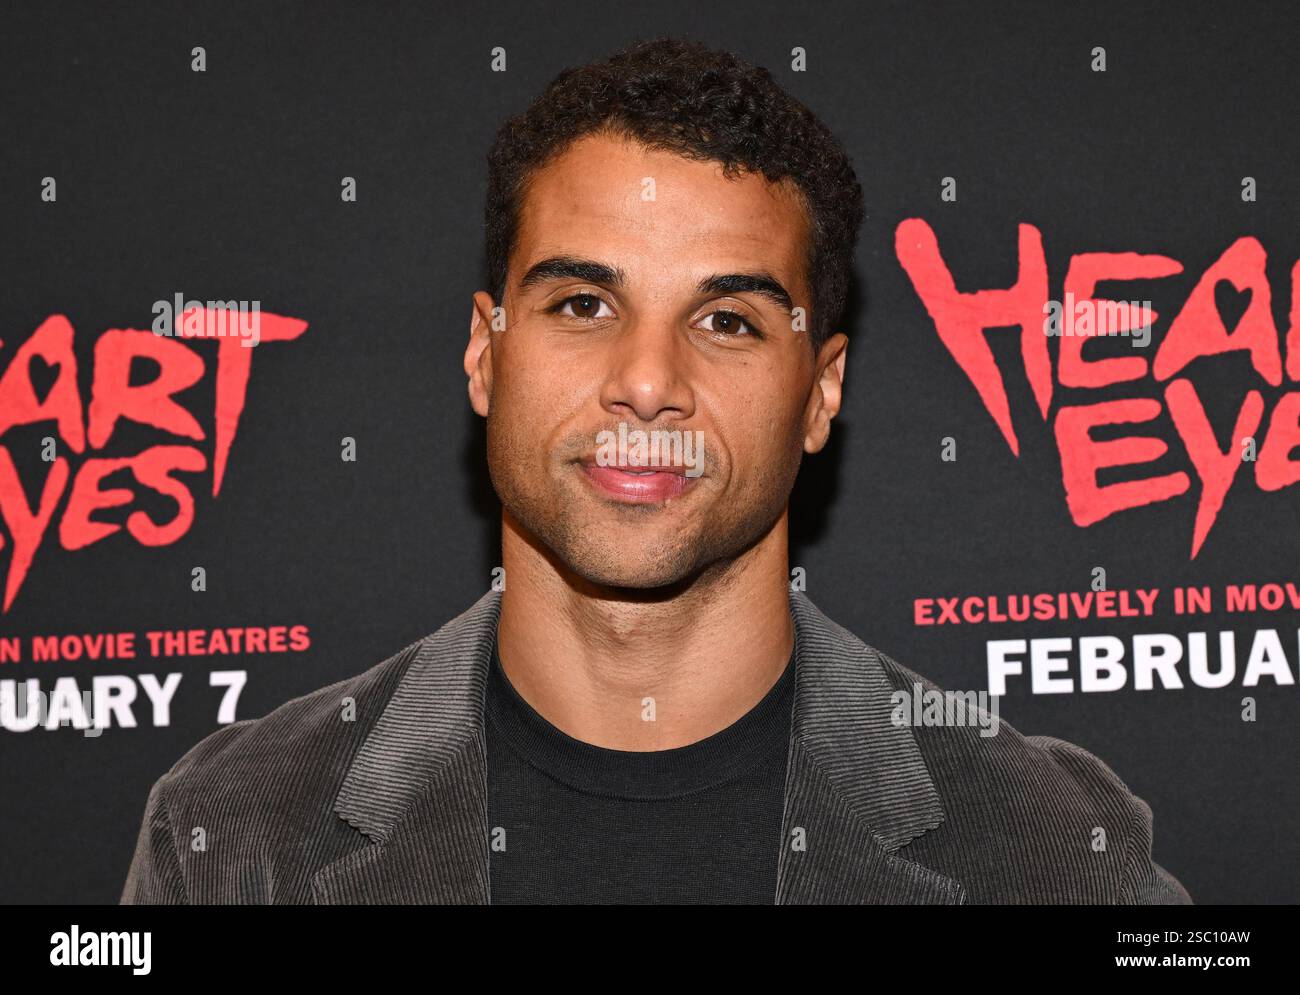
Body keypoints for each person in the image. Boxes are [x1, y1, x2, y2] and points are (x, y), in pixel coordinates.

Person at [121, 36, 1190, 905]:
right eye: (583, 304)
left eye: (726, 319)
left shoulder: (1051, 850)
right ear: (485, 354)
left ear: (820, 392)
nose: (645, 382)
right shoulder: (236, 835)